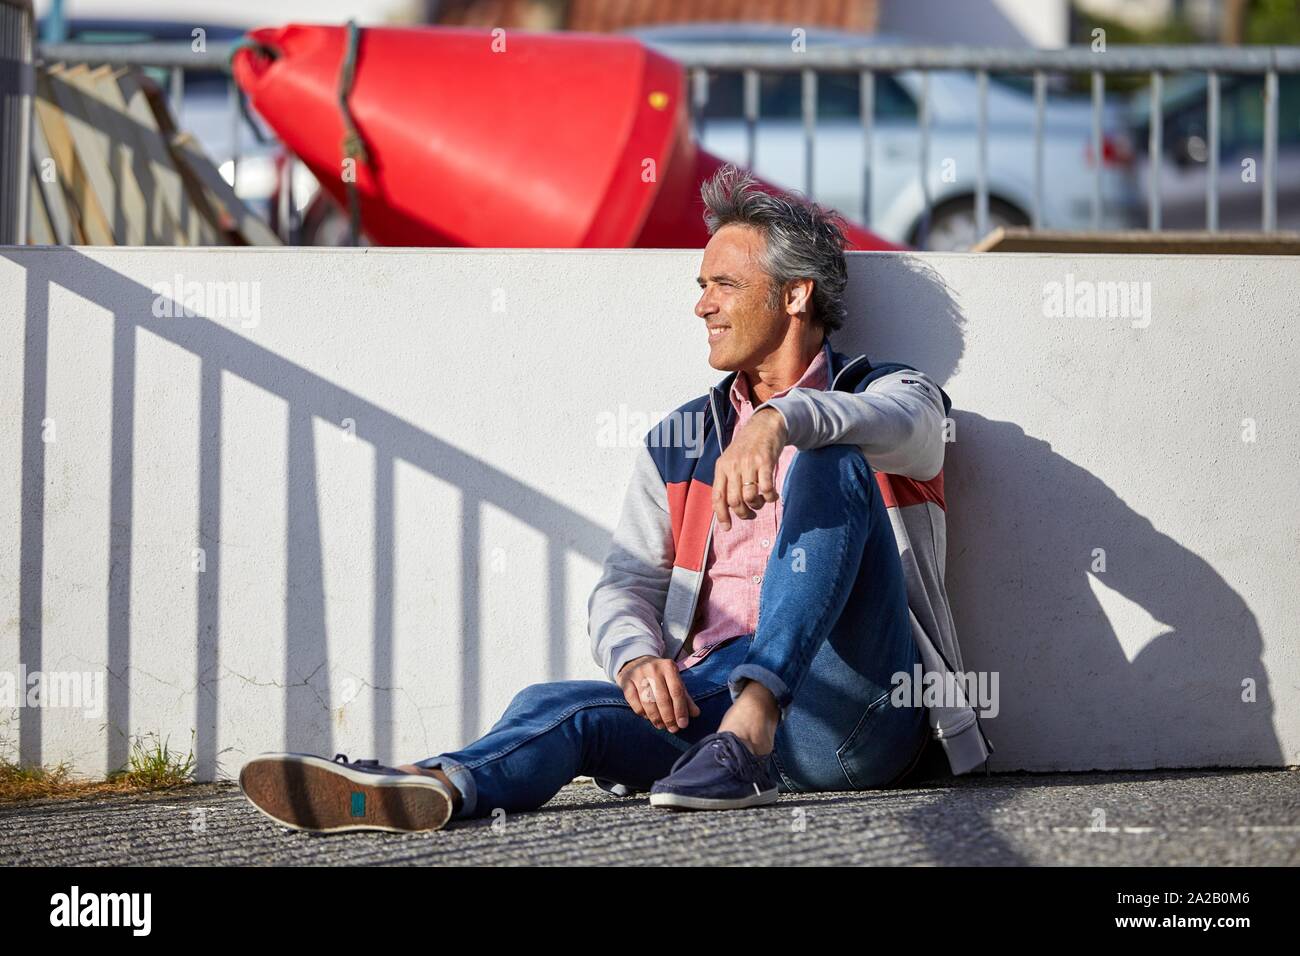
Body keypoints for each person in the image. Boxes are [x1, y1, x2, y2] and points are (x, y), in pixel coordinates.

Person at [238, 163, 990, 834]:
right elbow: (624, 587)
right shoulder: (681, 439)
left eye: (724, 284)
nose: (703, 306)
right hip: (708, 705)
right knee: (557, 706)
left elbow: (916, 433)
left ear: (796, 295)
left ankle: (753, 724)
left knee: (834, 466)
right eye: (701, 287)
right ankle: (430, 786)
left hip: (849, 713)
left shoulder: (888, 394)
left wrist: (781, 419)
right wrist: (635, 661)